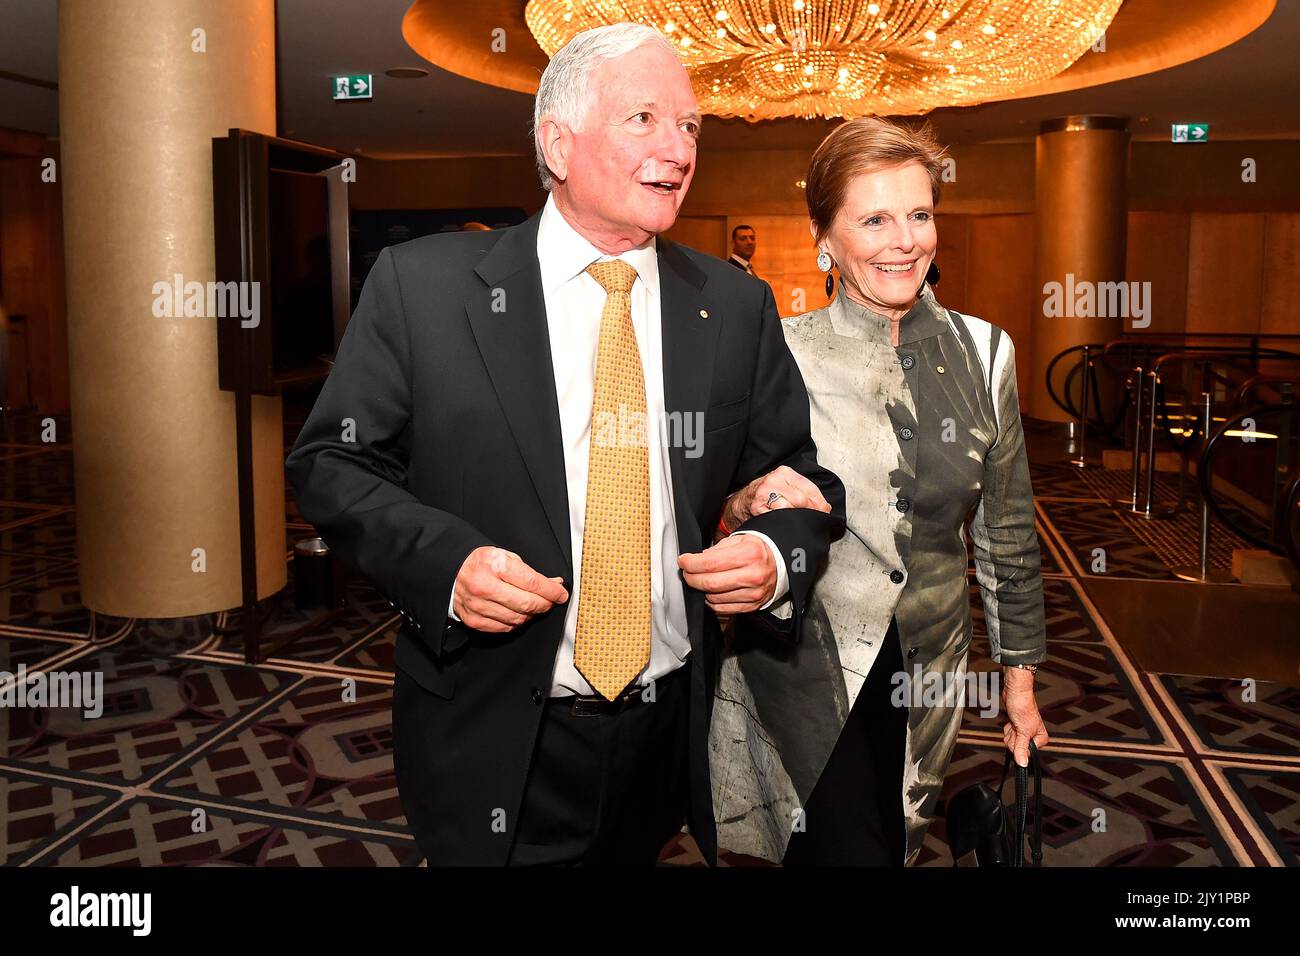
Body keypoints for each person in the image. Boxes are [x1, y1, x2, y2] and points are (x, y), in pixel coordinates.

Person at [284, 23, 843, 867]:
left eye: (690, 126)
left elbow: (796, 476)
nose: (679, 149)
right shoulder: (424, 290)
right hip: (495, 729)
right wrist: (446, 565)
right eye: (645, 119)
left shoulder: (731, 305)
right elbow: (330, 462)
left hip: (664, 731)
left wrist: (773, 551)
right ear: (557, 141)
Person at [708, 116, 1050, 866]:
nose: (904, 241)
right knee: (837, 847)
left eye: (919, 215)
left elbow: (1007, 533)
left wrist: (1018, 682)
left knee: (895, 840)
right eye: (874, 219)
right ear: (824, 238)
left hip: (928, 665)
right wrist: (745, 506)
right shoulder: (782, 352)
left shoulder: (986, 353)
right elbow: (721, 505)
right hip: (803, 659)